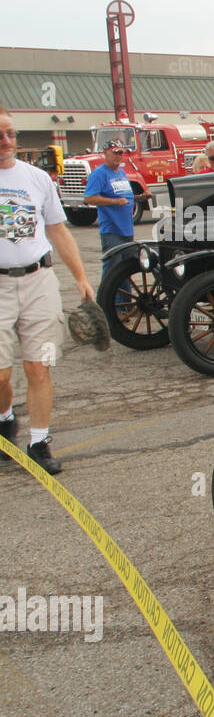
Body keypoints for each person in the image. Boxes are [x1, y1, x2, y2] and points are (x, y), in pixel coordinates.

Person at [0, 105, 96, 474]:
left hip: (39, 282)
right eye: (0, 135)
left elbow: (57, 229)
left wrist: (81, 277)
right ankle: (5, 416)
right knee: (2, 375)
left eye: (11, 134)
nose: (7, 142)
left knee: (40, 365)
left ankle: (39, 441)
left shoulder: (38, 179)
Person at [82, 139, 134, 271]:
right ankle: (106, 293)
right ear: (105, 153)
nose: (119, 155)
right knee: (113, 270)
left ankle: (123, 292)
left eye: (121, 153)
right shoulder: (99, 174)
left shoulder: (121, 173)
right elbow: (89, 198)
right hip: (112, 230)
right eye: (115, 152)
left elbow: (123, 196)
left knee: (125, 270)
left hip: (127, 229)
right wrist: (115, 202)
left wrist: (141, 197)